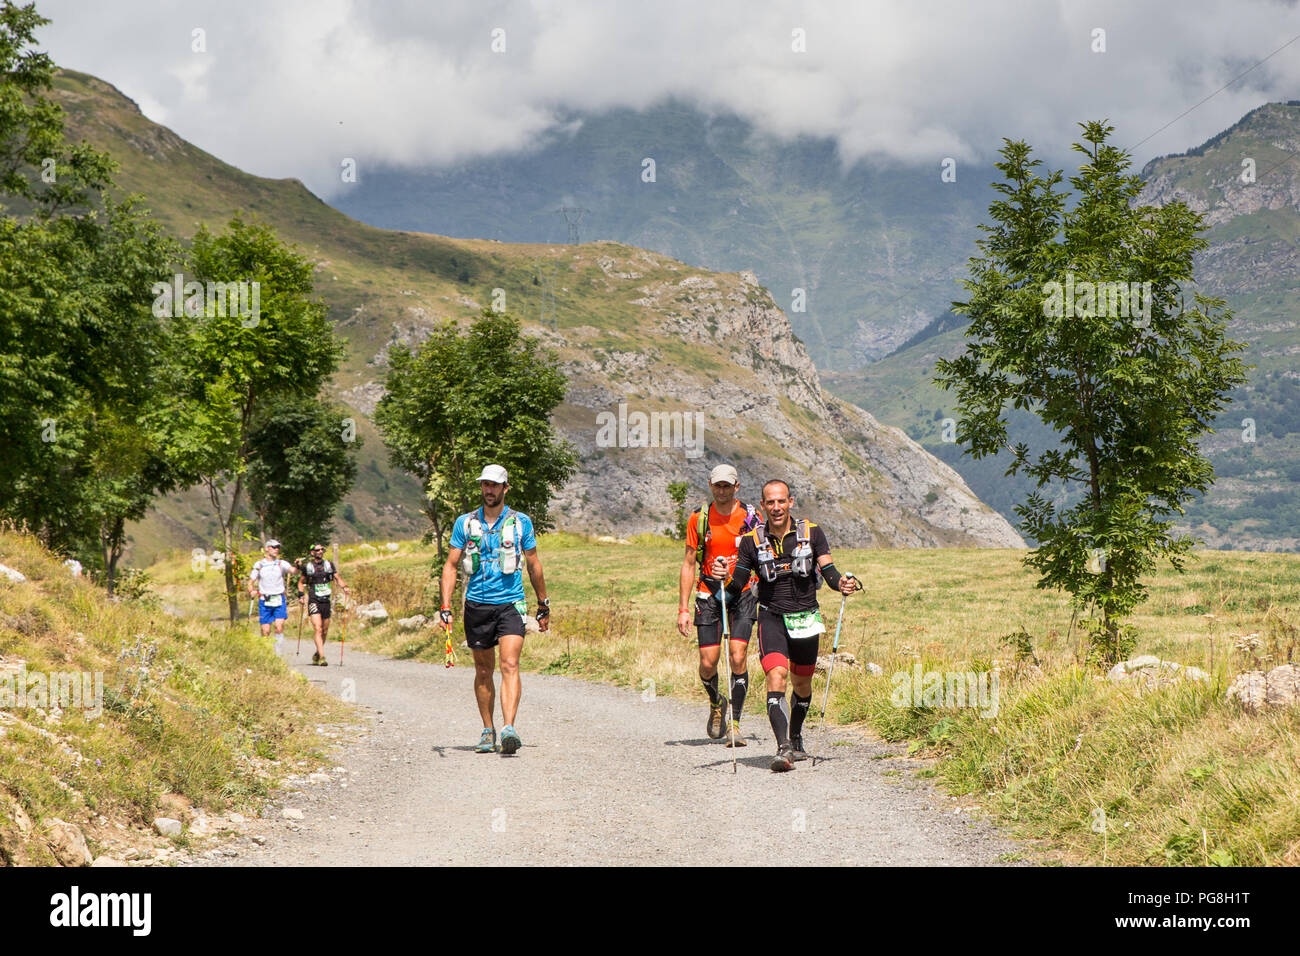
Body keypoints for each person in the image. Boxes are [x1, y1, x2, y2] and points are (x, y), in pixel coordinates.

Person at [721, 480, 860, 772]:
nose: (776, 508)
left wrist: (842, 585)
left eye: (781, 501)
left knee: (802, 684)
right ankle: (783, 748)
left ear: (790, 502)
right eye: (770, 503)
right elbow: (738, 582)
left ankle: (796, 735)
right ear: (762, 506)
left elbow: (829, 571)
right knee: (777, 676)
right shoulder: (750, 541)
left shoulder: (812, 532)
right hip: (771, 617)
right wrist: (720, 581)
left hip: (806, 618)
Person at [440, 464, 550, 756]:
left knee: (510, 664)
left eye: (494, 485)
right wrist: (445, 607)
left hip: (511, 604)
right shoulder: (465, 522)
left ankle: (509, 728)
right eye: (485, 485)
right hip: (476, 604)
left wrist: (543, 603)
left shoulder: (520, 522)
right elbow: (451, 566)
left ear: (505, 488)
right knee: (484, 669)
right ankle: (488, 730)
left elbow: (533, 563)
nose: (489, 490)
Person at [677, 464, 762, 745]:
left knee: (738, 657)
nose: (722, 490)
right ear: (710, 485)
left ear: (737, 486)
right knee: (708, 663)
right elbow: (689, 563)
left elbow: (763, 556)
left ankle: (735, 724)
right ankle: (717, 702)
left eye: (727, 485)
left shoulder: (751, 517)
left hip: (743, 592)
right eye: (718, 485)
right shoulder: (699, 519)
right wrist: (683, 608)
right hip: (708, 594)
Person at [296, 544, 351, 666]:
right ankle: (322, 657)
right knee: (318, 628)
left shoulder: (329, 565)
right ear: (312, 553)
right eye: (317, 550)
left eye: (322, 550)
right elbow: (301, 582)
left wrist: (345, 587)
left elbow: (337, 578)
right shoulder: (308, 567)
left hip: (326, 601)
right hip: (314, 600)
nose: (320, 551)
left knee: (325, 631)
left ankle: (317, 653)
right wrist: (301, 595)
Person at [248, 540, 296, 643]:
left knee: (279, 627)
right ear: (267, 548)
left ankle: (278, 653)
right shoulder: (259, 564)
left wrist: (299, 566)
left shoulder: (281, 563)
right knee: (266, 631)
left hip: (279, 599)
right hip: (265, 600)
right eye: (273, 547)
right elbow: (251, 581)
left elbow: (293, 571)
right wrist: (251, 590)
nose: (276, 549)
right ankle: (266, 652)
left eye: (278, 547)